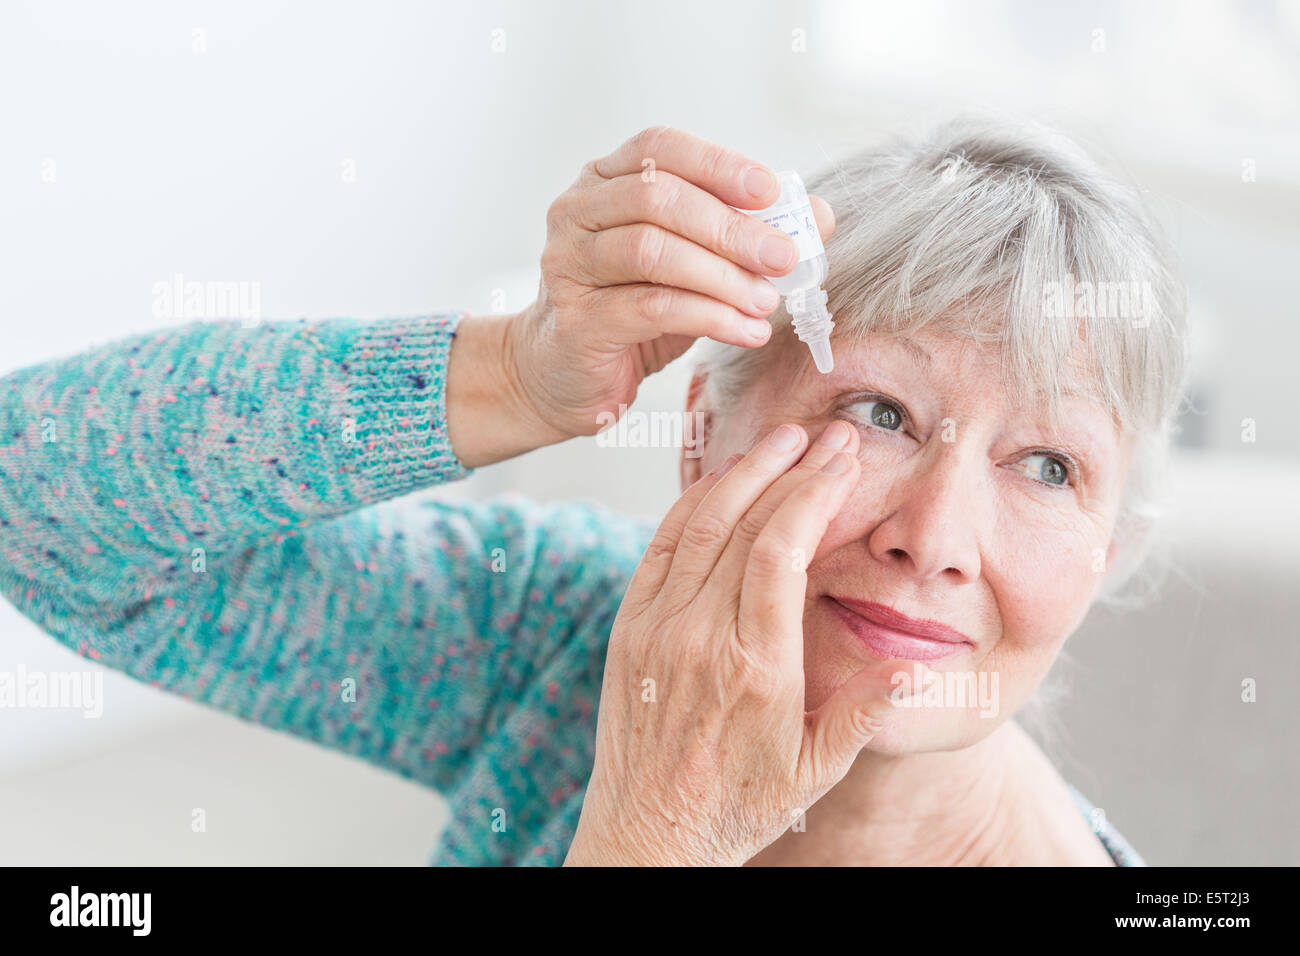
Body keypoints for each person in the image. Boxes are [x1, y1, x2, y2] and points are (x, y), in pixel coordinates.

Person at [1, 118, 1182, 865]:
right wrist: (509, 372)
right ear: (703, 438)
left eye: (1047, 466)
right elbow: (33, 498)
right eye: (878, 412)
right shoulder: (568, 639)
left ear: (1111, 554)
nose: (933, 539)